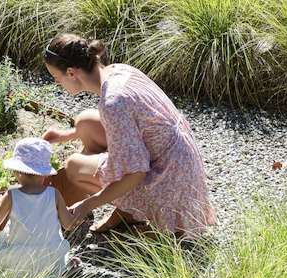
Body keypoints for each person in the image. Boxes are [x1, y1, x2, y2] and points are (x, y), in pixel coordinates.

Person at [41, 33, 216, 237]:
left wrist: (88, 205)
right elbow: (126, 126)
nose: (57, 84)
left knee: (74, 166)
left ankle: (140, 213)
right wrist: (65, 135)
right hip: (182, 162)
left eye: (56, 78)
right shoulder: (119, 70)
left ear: (71, 73)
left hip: (169, 181)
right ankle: (127, 210)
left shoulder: (113, 103)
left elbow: (136, 172)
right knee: (86, 120)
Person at [0, 137, 73, 278]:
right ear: (45, 174)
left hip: (18, 261)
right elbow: (68, 225)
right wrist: (71, 212)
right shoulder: (54, 194)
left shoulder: (12, 194)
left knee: (0, 244)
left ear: (15, 171)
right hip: (49, 260)